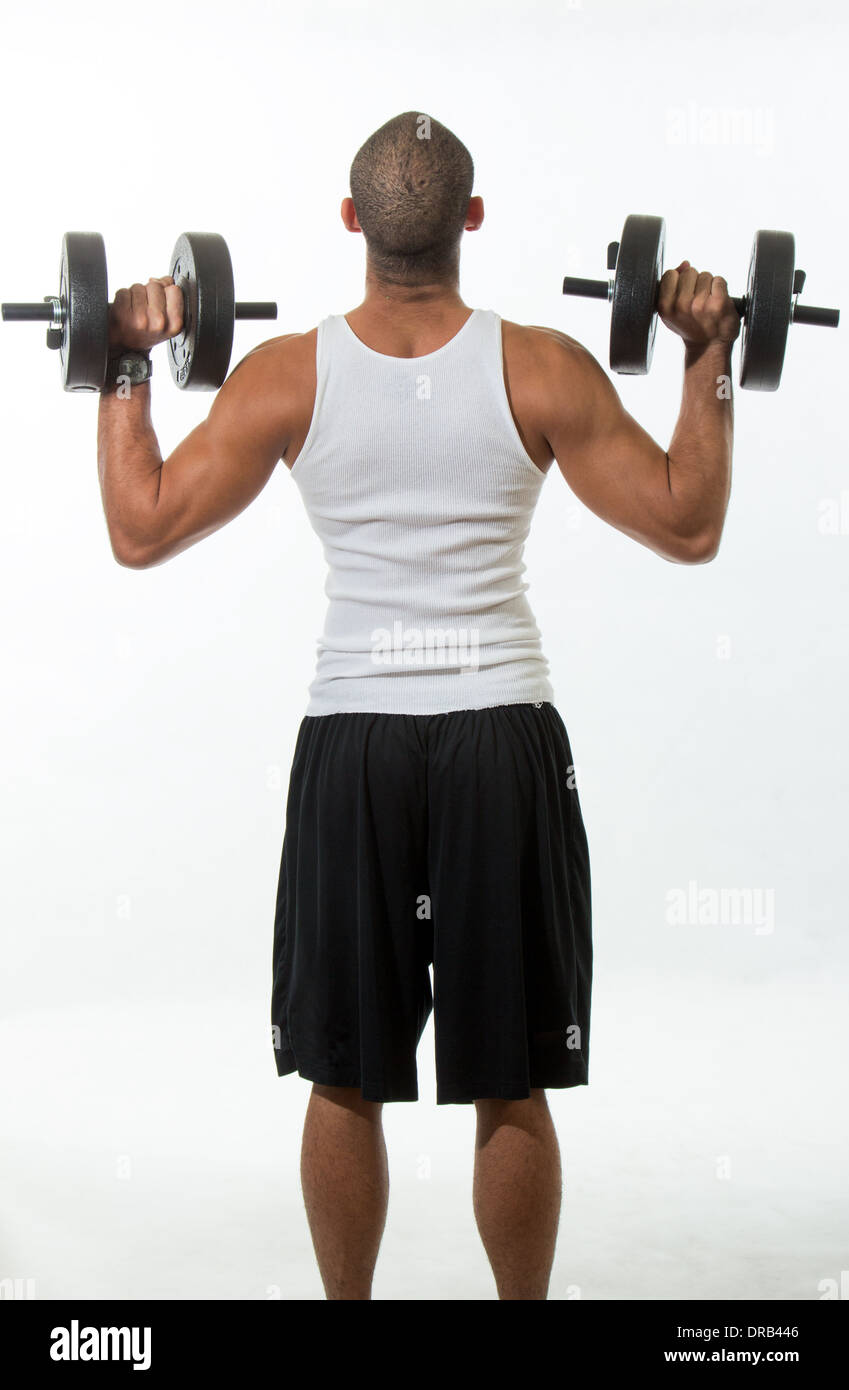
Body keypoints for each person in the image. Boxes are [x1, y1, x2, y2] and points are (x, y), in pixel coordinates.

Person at [97, 111, 740, 1301]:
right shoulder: (541, 365)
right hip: (502, 740)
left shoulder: (287, 375)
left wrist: (128, 353)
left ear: (352, 224)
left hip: (355, 747)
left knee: (342, 1075)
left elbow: (140, 528)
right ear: (473, 223)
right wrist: (709, 352)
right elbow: (686, 522)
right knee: (512, 1076)